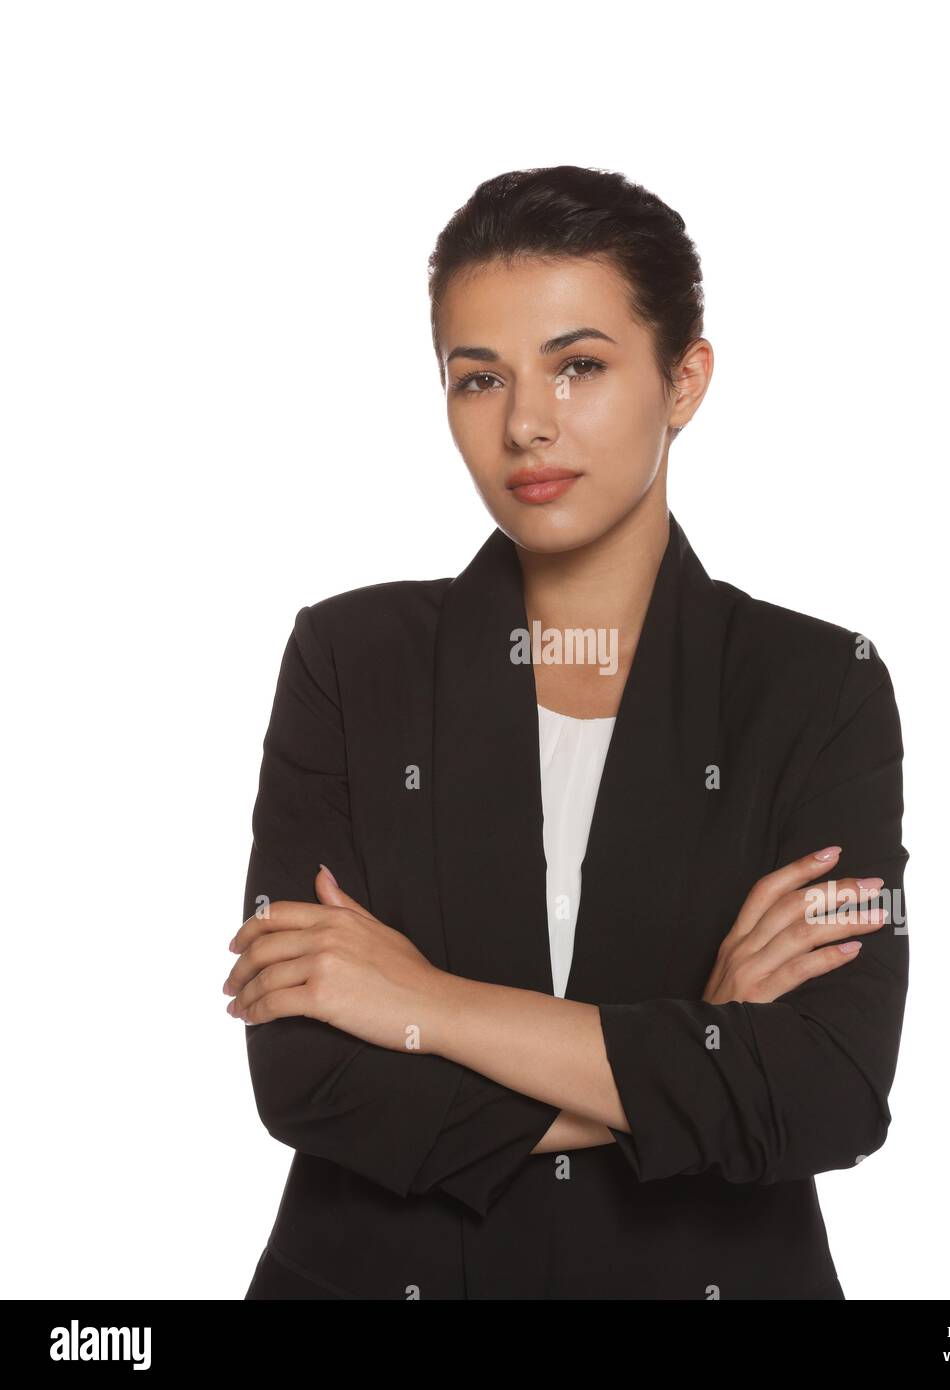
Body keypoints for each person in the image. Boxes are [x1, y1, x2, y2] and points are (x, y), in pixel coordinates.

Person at [226, 165, 910, 1300]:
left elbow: (826, 1090)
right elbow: (308, 1074)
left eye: (578, 365)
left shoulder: (818, 687)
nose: (525, 423)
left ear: (684, 377)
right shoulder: (350, 659)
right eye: (477, 377)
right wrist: (697, 1046)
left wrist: (424, 1004)